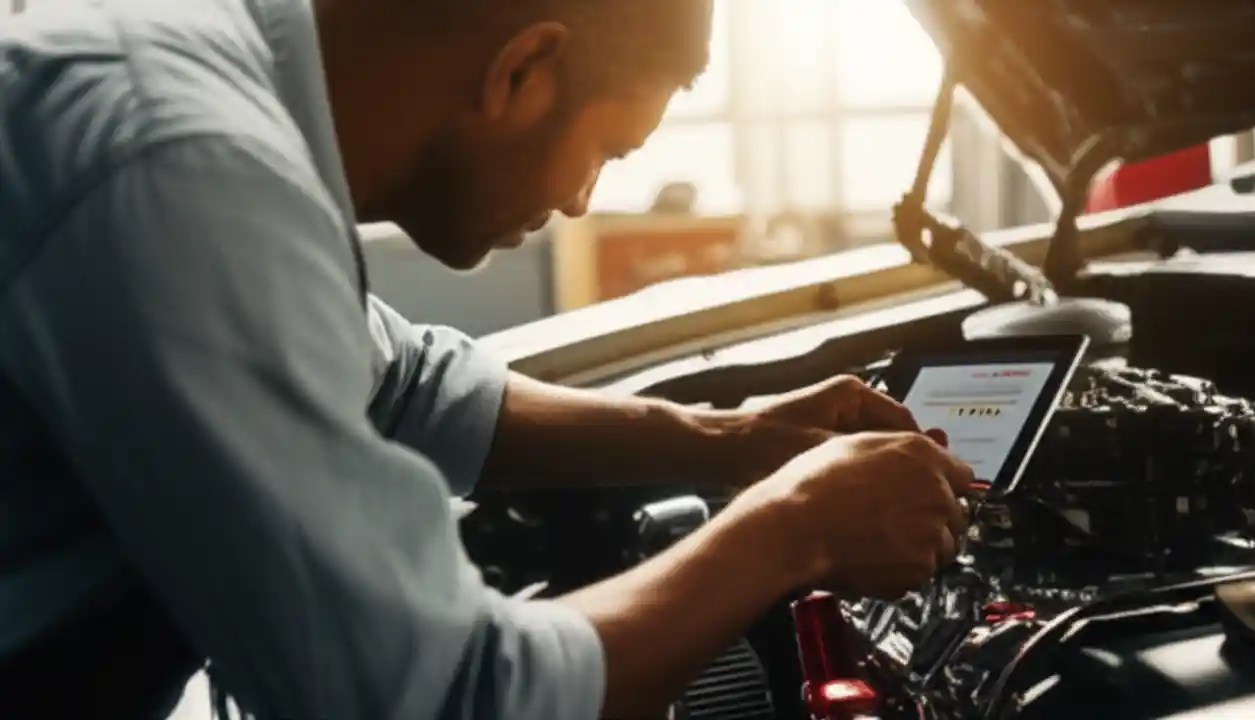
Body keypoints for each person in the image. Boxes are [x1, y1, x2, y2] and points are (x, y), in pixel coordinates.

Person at [0, 0, 973, 718]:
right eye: (606, 152)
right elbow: (437, 699)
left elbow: (403, 382)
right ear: (524, 72)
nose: (585, 201)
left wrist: (736, 441)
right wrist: (789, 531)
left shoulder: (210, 75)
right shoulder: (184, 163)